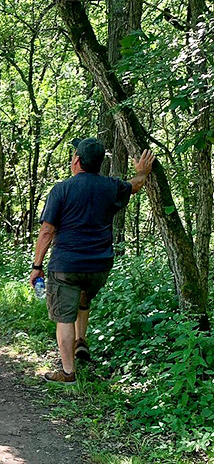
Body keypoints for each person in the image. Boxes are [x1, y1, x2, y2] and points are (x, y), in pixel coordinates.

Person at [30, 137, 155, 384]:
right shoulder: (111, 186)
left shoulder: (61, 189)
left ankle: (68, 373)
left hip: (66, 267)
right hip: (99, 267)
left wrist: (37, 266)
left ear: (76, 160)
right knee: (83, 297)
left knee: (64, 316)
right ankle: (81, 341)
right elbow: (137, 184)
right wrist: (142, 171)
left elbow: (47, 231)